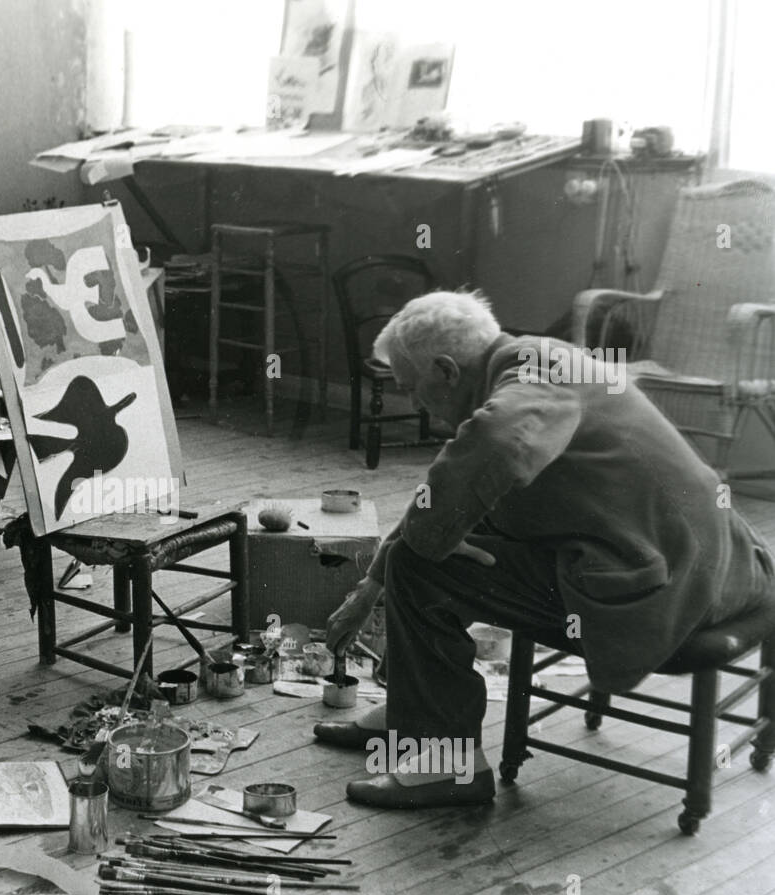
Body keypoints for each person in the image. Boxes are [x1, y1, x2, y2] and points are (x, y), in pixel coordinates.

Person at [318, 291, 775, 808]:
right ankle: (414, 713)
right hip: (720, 567)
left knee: (418, 567)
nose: (415, 402)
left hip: (669, 590)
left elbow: (492, 444)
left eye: (411, 388)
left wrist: (412, 554)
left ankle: (449, 766)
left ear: (446, 370)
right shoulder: (537, 357)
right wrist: (372, 583)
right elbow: (462, 482)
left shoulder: (528, 385)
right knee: (428, 546)